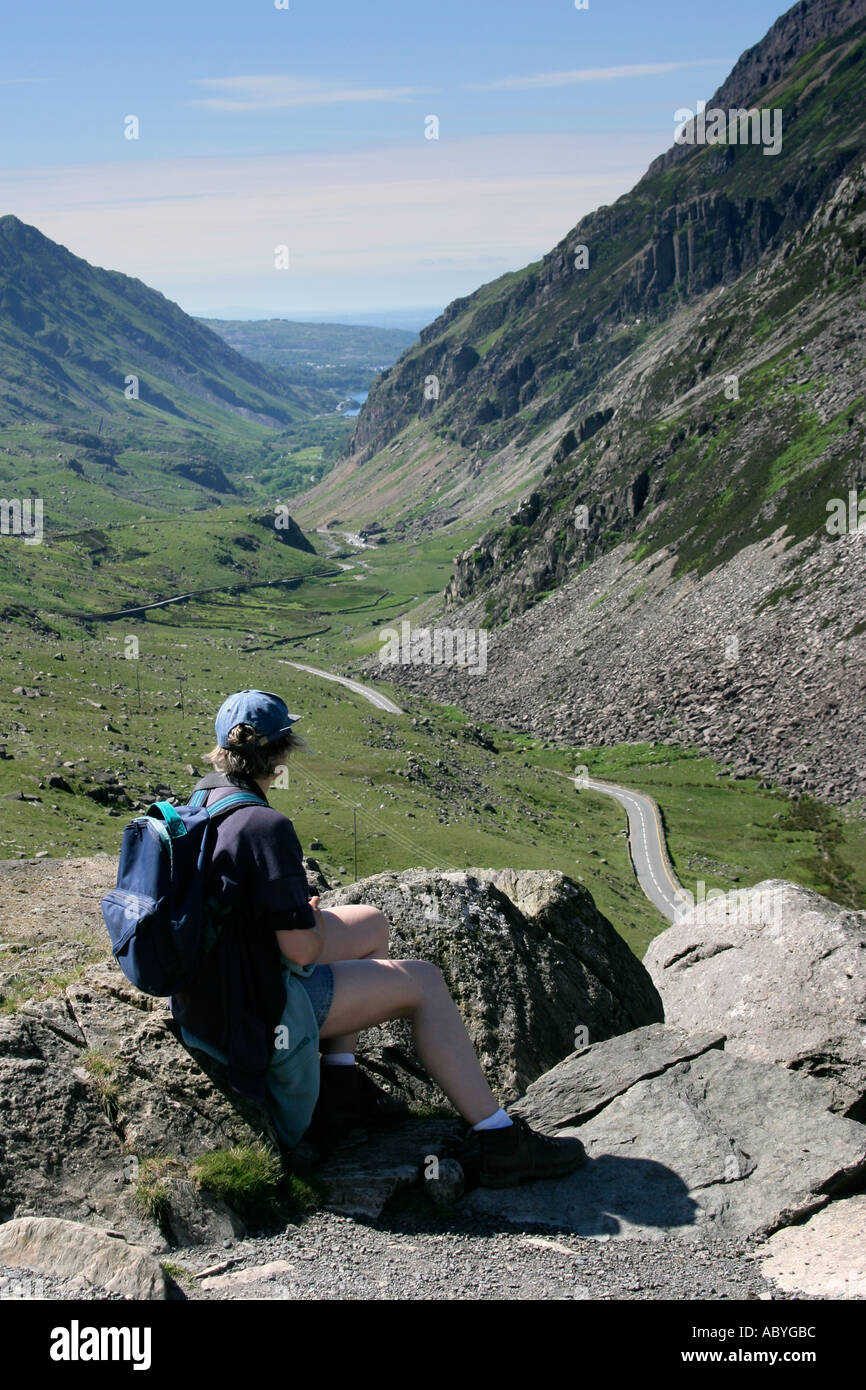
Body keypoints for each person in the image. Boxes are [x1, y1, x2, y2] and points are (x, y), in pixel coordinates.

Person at [172, 689, 586, 1188]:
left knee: (372, 923)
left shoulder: (201, 799)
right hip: (258, 1007)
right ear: (282, 751)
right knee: (426, 984)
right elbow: (301, 949)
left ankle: (340, 1083)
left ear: (222, 749)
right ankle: (499, 1139)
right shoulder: (265, 827)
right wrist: (308, 921)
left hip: (210, 990)